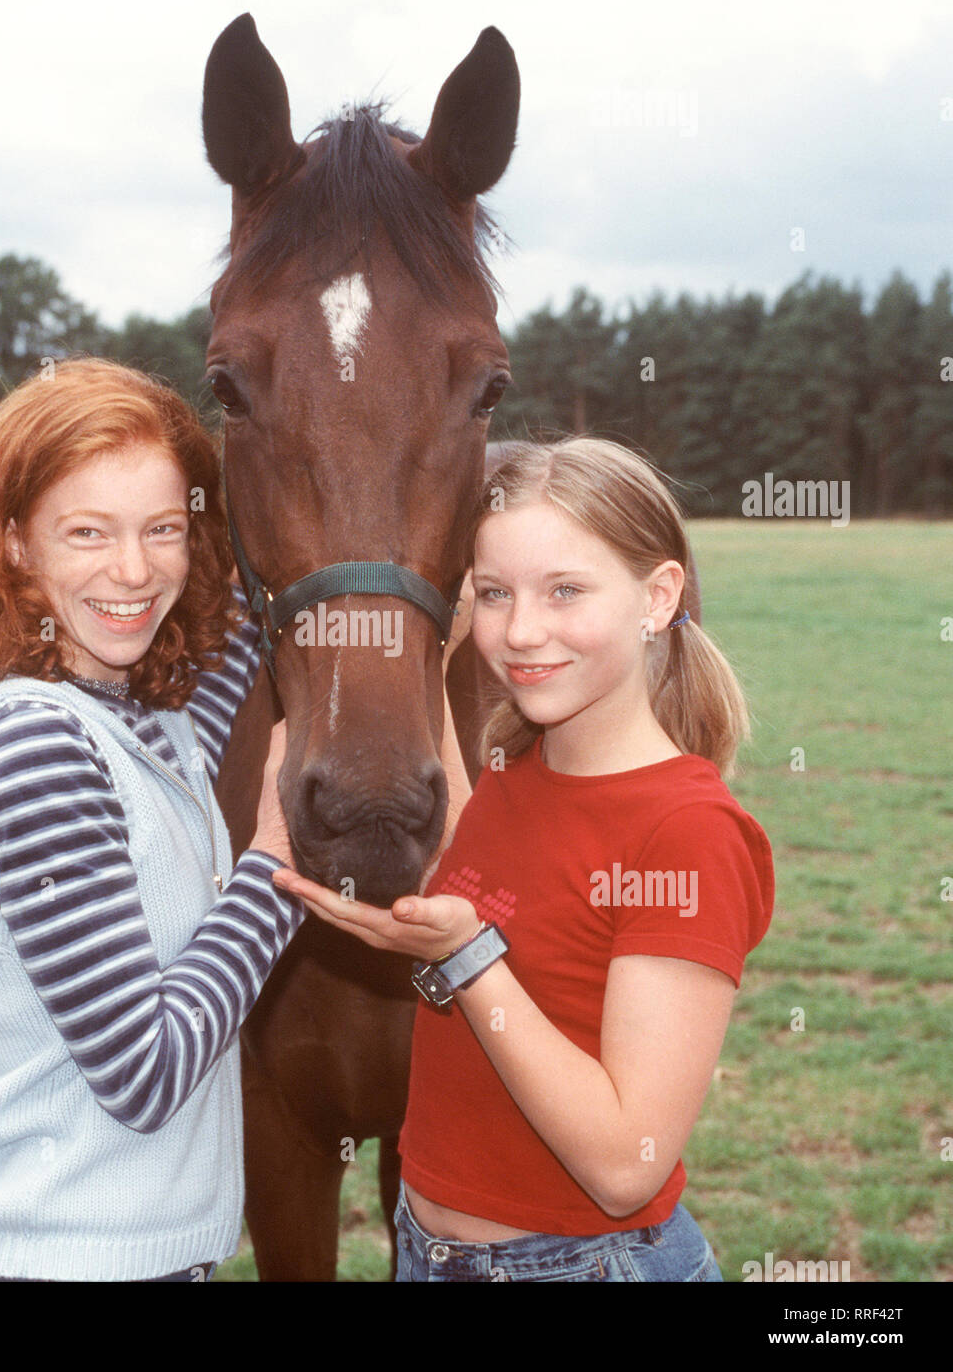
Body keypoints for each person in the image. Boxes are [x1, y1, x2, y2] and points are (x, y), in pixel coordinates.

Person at [274, 436, 774, 1283]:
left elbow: (625, 1167)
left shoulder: (685, 831)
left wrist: (467, 961)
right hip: (429, 1252)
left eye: (565, 590)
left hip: (577, 1264)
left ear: (657, 598)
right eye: (496, 593)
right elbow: (477, 878)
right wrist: (427, 658)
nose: (522, 630)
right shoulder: (515, 777)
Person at [0, 356, 303, 1282]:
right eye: (87, 531)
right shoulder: (34, 748)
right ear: (17, 542)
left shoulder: (138, 714)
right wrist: (274, 864)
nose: (133, 570)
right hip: (56, 1265)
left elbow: (259, 622)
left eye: (162, 529)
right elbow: (142, 1073)